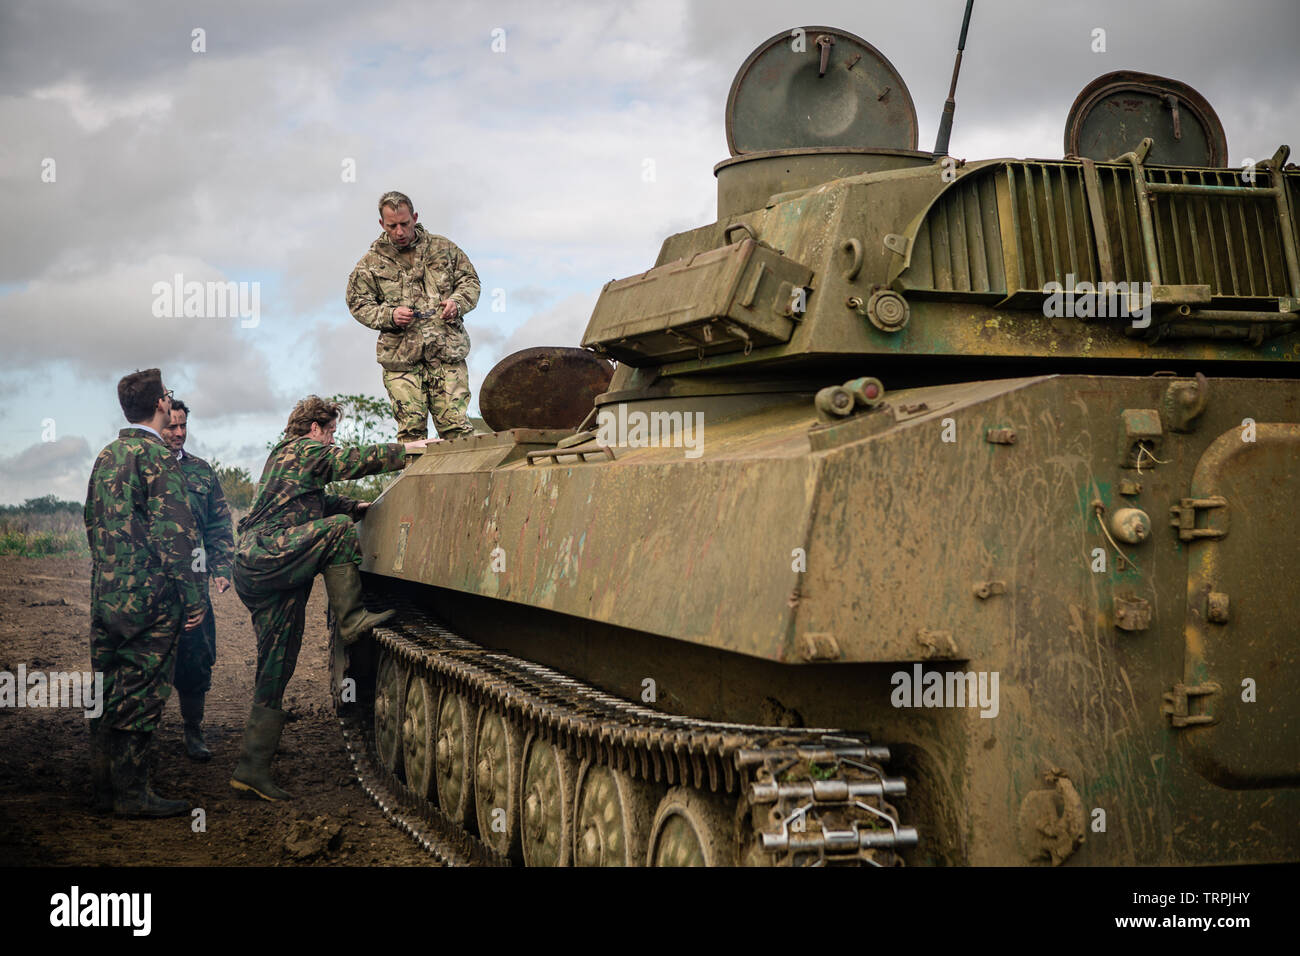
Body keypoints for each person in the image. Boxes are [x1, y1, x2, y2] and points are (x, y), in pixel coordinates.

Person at [230, 396, 430, 800]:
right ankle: (352, 618)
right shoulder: (301, 448)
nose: (333, 439)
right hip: (268, 554)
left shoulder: (286, 462)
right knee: (338, 529)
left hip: (261, 566)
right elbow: (347, 462)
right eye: (331, 431)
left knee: (278, 659)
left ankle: (252, 765)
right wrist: (409, 451)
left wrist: (356, 506)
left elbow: (312, 502)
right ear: (316, 428)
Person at [84, 369, 205, 817]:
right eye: (168, 398)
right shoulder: (157, 458)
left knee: (106, 687)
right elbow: (176, 536)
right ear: (159, 404)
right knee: (141, 693)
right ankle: (132, 796)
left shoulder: (107, 455)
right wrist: (193, 598)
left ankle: (102, 790)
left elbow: (92, 522)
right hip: (149, 599)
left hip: (106, 593)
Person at [346, 190, 480, 445]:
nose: (399, 231)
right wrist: (389, 315)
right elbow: (358, 302)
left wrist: (457, 303)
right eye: (392, 226)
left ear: (415, 218)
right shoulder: (370, 264)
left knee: (458, 432)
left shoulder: (444, 249)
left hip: (446, 355)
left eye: (404, 224)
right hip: (402, 360)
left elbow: (469, 282)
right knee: (412, 435)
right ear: (382, 224)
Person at [161, 399, 234, 761]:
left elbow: (220, 525)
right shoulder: (145, 469)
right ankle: (143, 736)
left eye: (183, 426)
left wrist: (222, 568)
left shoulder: (202, 472)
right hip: (153, 588)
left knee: (196, 658)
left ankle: (193, 730)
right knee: (150, 661)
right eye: (172, 426)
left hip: (194, 583)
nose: (178, 433)